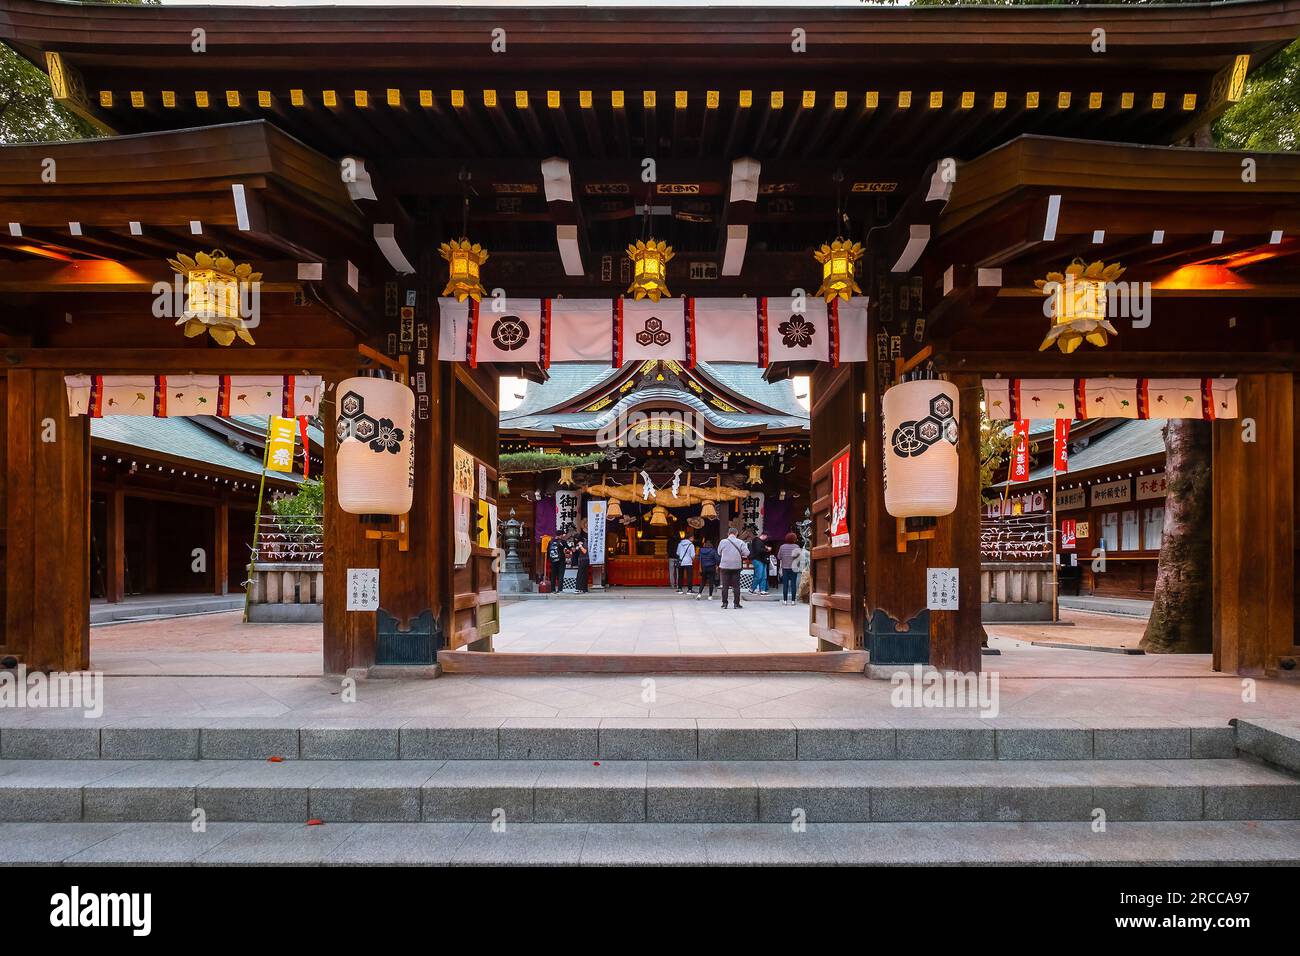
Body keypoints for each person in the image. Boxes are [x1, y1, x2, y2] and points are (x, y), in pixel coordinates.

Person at [717, 528, 748, 609]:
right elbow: (747, 553)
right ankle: (736, 604)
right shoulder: (740, 542)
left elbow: (719, 552)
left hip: (725, 566)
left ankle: (724, 604)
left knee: (725, 586)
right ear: (736, 533)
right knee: (736, 586)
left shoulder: (722, 542)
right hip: (736, 566)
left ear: (728, 533)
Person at [777, 532, 802, 605]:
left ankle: (785, 601)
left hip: (785, 567)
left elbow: (779, 557)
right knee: (793, 584)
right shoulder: (796, 546)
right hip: (794, 567)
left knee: (785, 584)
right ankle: (793, 601)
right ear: (794, 539)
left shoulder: (782, 546)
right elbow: (800, 557)